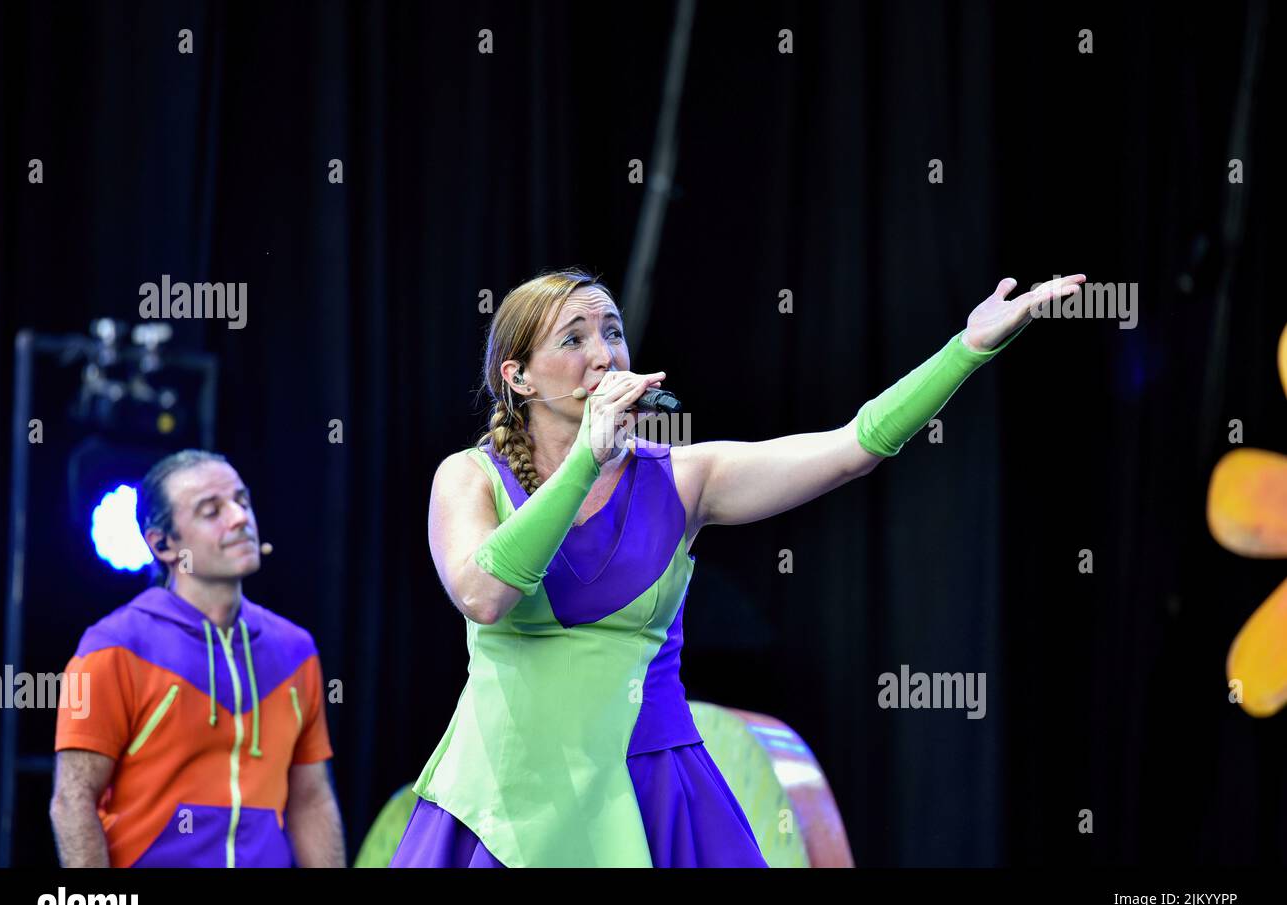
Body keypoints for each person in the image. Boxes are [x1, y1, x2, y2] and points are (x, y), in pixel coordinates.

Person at [392, 266, 1084, 867]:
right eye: (573, 338)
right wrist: (584, 463)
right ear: (518, 376)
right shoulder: (468, 477)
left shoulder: (687, 479)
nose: (603, 354)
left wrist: (965, 349)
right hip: (506, 800)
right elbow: (484, 595)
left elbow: (854, 446)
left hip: (651, 791)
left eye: (612, 331)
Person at [50, 450, 346, 867]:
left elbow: (311, 799)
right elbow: (73, 800)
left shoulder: (296, 650)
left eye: (242, 501)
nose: (240, 518)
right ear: (163, 544)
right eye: (212, 511)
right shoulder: (113, 645)